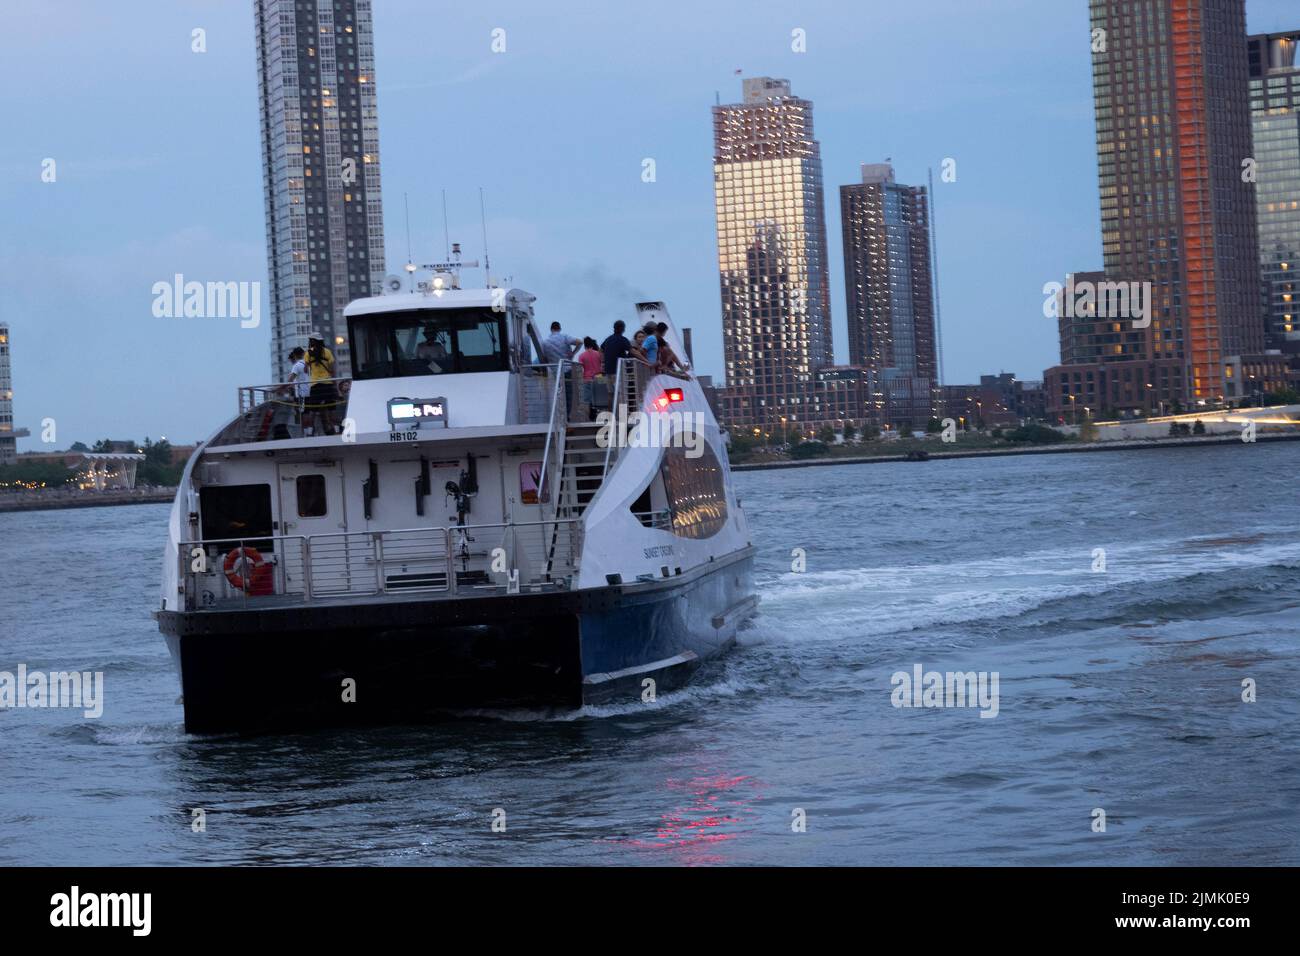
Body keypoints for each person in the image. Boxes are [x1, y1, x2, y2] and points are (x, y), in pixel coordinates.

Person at [541, 321, 581, 417]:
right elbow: (580, 342)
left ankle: (559, 415)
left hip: (555, 371)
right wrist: (573, 353)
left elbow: (544, 358)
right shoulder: (564, 337)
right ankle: (566, 416)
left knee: (558, 394)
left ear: (551, 329)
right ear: (559, 328)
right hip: (566, 369)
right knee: (568, 394)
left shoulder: (545, 342)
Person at [306, 335, 338, 435]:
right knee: (331, 408)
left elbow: (305, 369)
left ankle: (310, 431)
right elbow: (332, 369)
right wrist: (334, 383)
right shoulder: (327, 352)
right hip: (327, 384)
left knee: (312, 410)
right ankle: (336, 429)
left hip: (315, 384)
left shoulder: (308, 353)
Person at [286, 347, 311, 433]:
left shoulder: (297, 366)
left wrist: (281, 388)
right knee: (308, 412)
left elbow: (290, 380)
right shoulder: (308, 364)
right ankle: (309, 432)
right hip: (310, 391)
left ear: (295, 355)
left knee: (303, 414)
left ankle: (305, 433)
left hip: (302, 393)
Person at [578, 337, 602, 420]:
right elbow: (602, 365)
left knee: (587, 400)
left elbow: (580, 369)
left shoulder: (581, 356)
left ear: (585, 346)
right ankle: (599, 415)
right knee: (600, 397)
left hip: (587, 378)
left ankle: (589, 418)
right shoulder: (598, 354)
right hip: (599, 378)